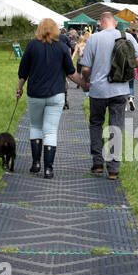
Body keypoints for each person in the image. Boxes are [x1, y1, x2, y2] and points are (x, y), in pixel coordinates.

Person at [16, 18, 85, 178]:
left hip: (35, 94)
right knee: (51, 131)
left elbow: (23, 71)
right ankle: (48, 169)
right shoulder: (62, 47)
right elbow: (71, 72)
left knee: (35, 127)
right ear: (55, 30)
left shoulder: (32, 46)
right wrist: (84, 84)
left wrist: (19, 89)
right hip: (56, 94)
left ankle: (35, 164)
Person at [79, 12, 138, 179]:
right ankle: (113, 169)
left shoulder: (93, 39)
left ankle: (98, 163)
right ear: (115, 23)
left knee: (96, 124)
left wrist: (86, 81)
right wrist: (126, 65)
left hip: (98, 90)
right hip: (120, 90)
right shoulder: (127, 36)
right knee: (115, 127)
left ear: (100, 23)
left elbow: (85, 68)